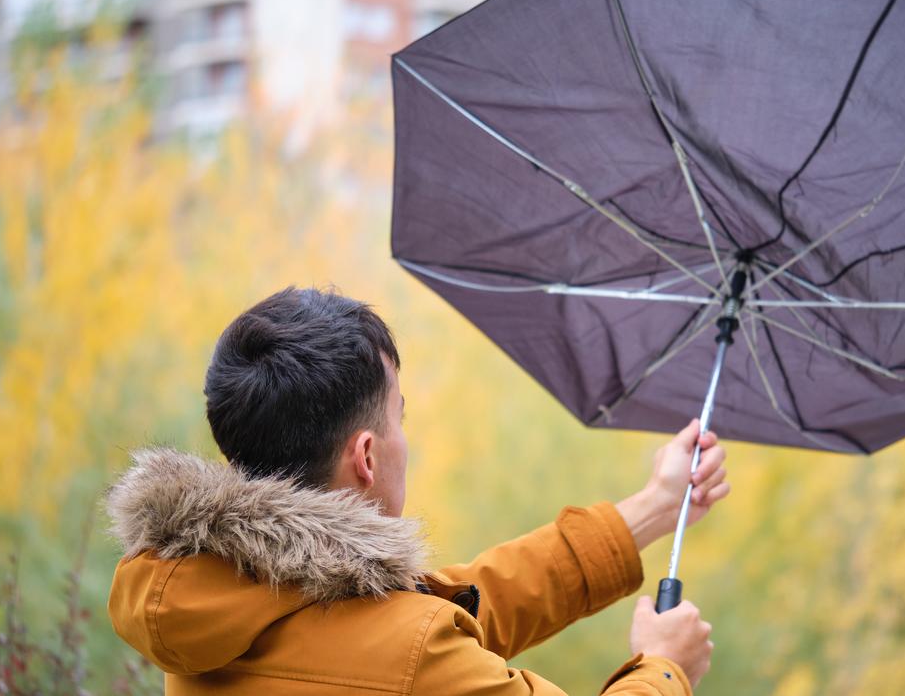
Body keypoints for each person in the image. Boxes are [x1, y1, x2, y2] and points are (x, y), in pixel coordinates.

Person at [106, 286, 731, 695]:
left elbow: (470, 601)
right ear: (368, 458)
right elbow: (416, 644)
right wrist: (663, 666)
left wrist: (655, 505)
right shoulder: (412, 654)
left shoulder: (203, 600)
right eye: (398, 415)